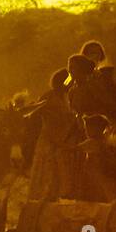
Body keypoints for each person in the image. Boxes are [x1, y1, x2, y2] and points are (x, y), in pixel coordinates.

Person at [27, 68, 77, 200]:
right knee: (46, 175)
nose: (70, 83)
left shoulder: (68, 97)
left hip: (64, 141)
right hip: (48, 140)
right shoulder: (49, 96)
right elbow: (35, 115)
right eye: (68, 80)